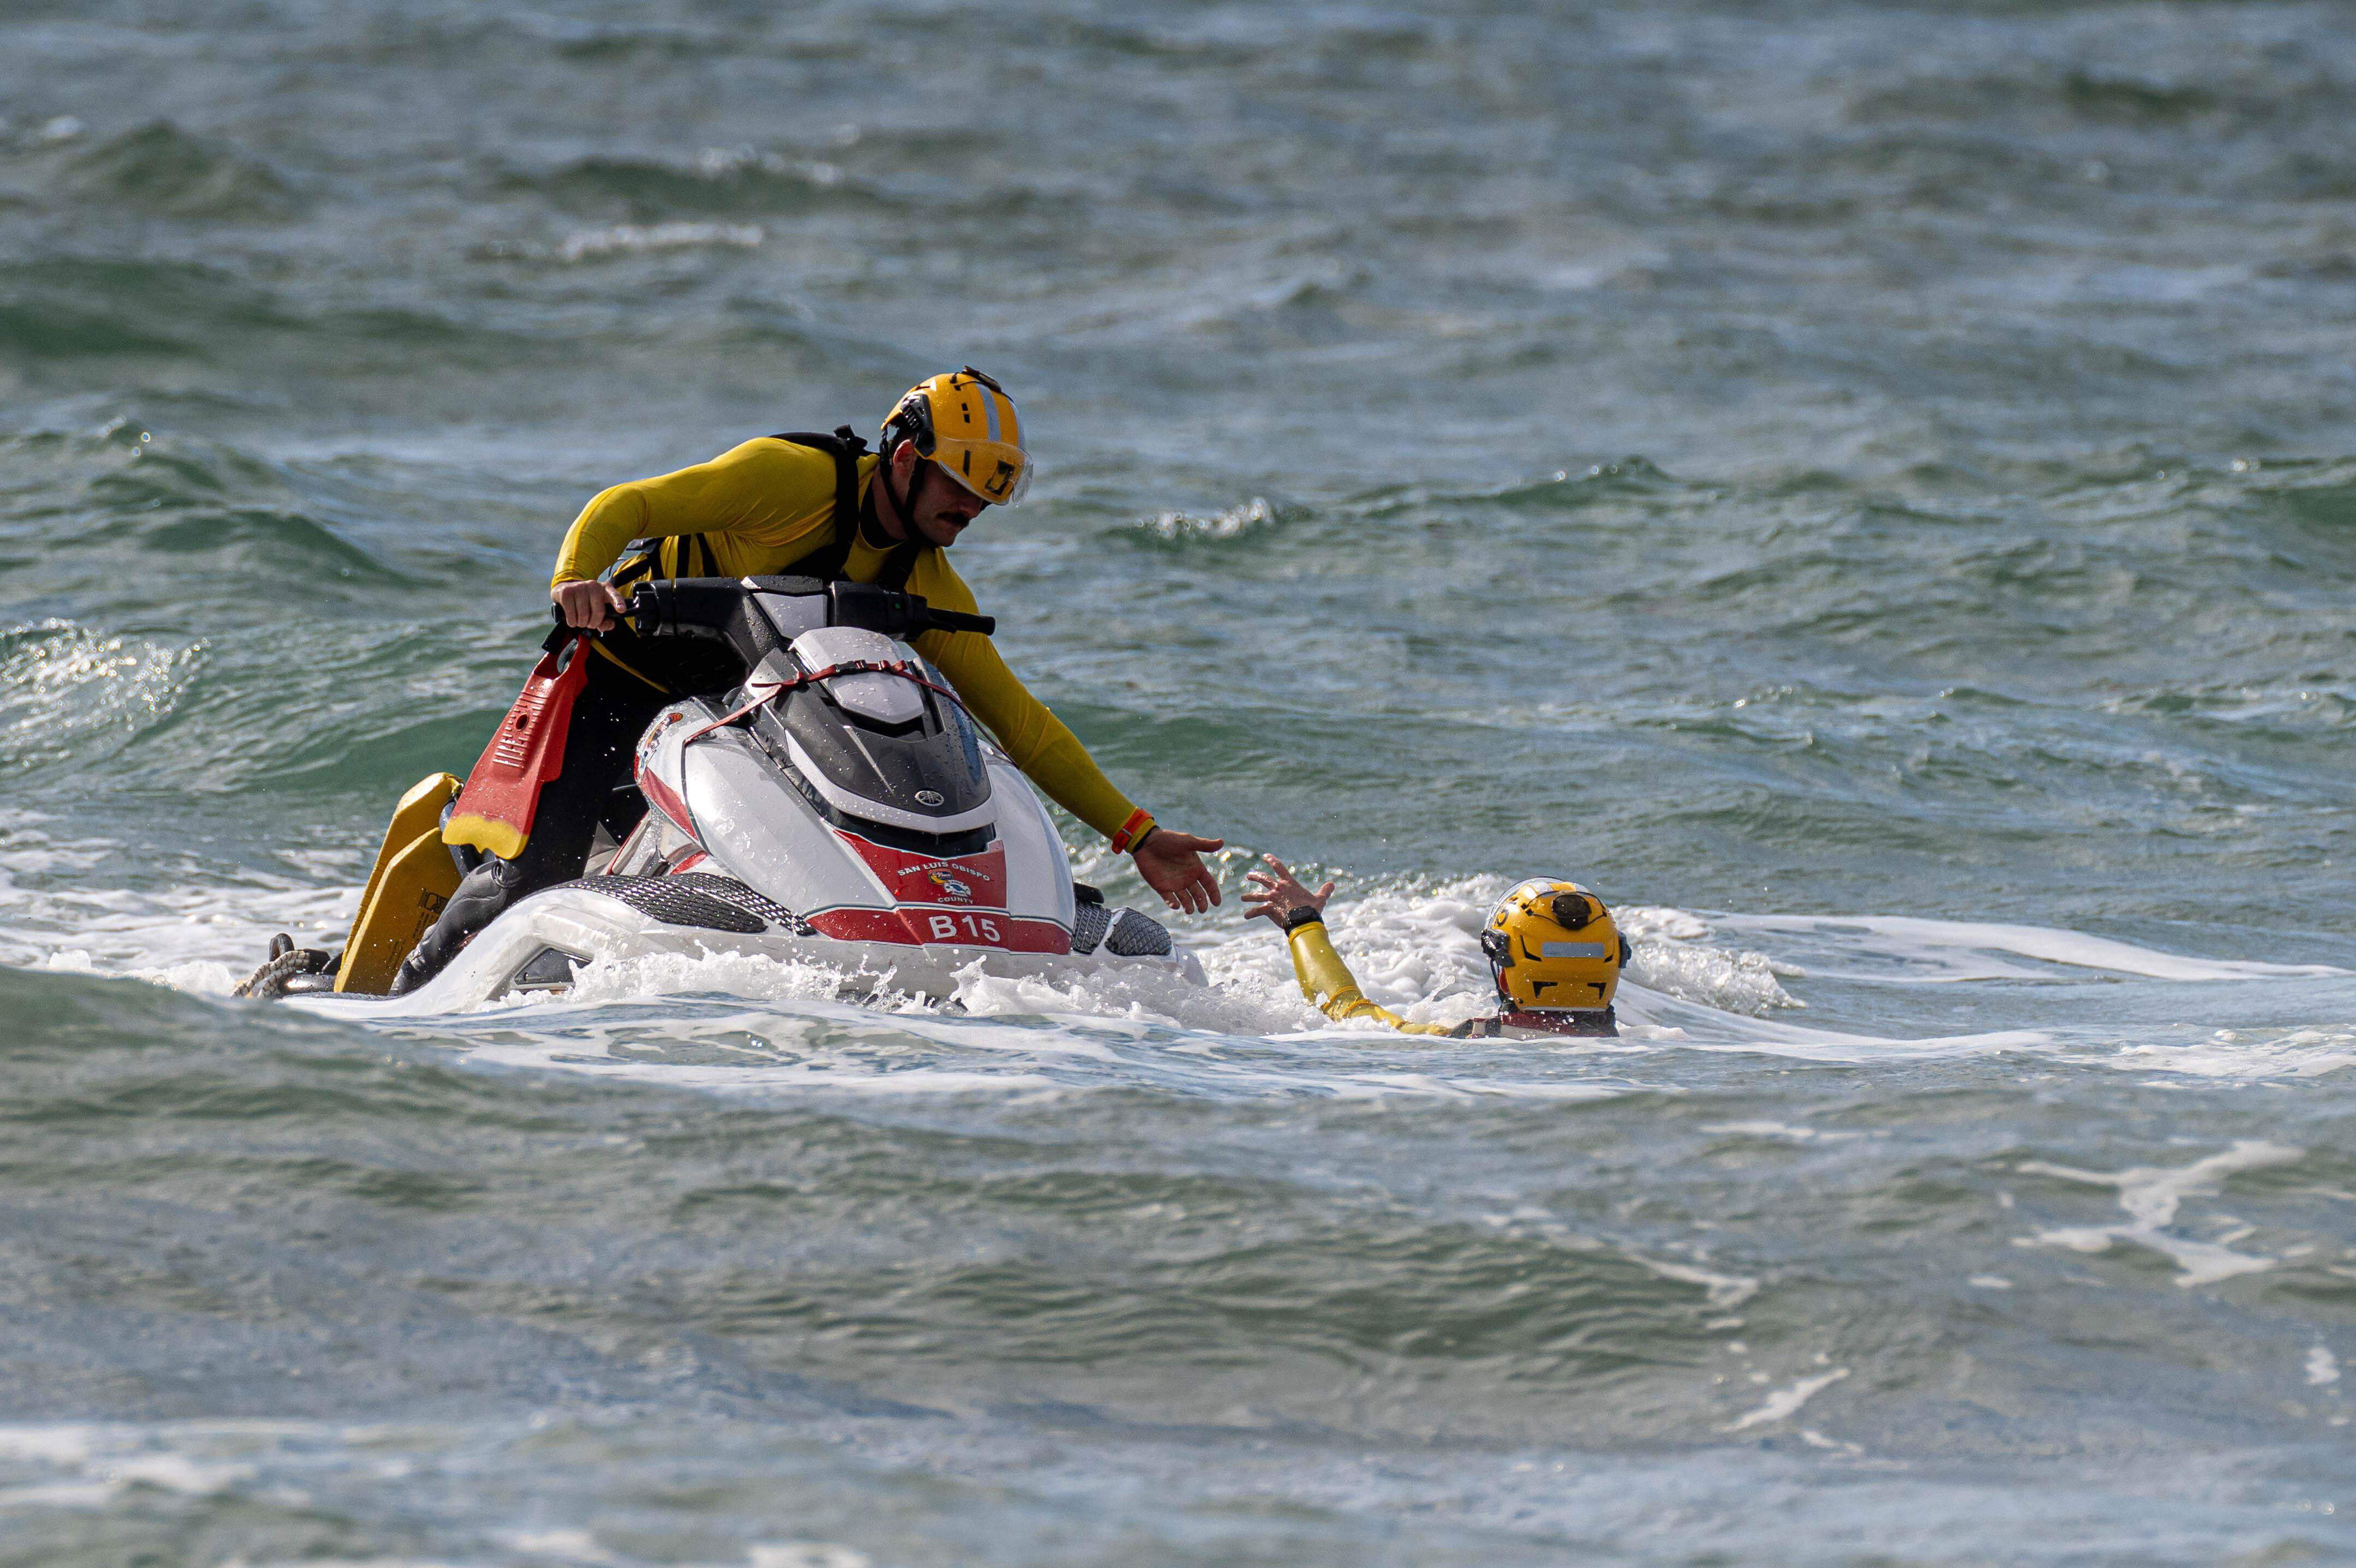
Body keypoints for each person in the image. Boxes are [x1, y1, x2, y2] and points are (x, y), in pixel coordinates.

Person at [392, 369, 1223, 993]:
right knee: (532, 875)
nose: (971, 509)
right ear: (903, 459)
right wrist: (578, 577)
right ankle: (404, 999)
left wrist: (1139, 836)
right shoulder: (788, 480)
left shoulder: (926, 582)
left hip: (732, 721)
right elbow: (629, 504)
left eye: (984, 497)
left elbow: (1021, 722)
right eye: (959, 486)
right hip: (624, 682)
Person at [1242, 855, 1628, 1037]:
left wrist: (1303, 923)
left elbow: (1345, 1008)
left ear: (1506, 977)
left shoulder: (1466, 1042)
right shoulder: (1653, 1052)